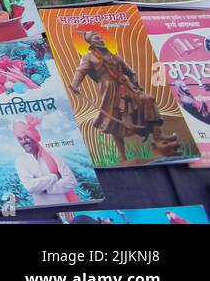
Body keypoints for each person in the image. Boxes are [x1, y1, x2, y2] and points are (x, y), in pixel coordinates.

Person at [69, 30, 169, 164]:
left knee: (148, 99)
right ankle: (122, 156)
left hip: (126, 86)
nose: (101, 39)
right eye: (97, 37)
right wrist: (75, 84)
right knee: (114, 120)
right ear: (91, 42)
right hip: (108, 89)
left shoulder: (115, 57)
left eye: (101, 37)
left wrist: (136, 86)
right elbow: (80, 71)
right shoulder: (88, 57)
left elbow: (131, 72)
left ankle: (158, 136)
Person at [11, 116, 81, 206]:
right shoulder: (20, 161)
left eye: (26, 137)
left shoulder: (53, 155)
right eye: (20, 139)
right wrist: (55, 177)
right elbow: (30, 186)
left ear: (34, 138)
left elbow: (71, 181)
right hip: (42, 208)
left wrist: (48, 189)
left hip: (65, 205)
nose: (24, 141)